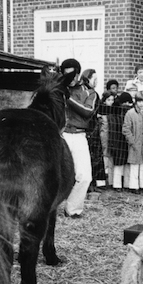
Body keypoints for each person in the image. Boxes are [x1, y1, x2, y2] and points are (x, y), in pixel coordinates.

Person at [60, 59, 97, 217]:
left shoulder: (89, 92)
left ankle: (72, 209)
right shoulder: (59, 88)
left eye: (73, 75)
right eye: (66, 75)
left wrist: (68, 98)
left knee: (84, 176)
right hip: (61, 135)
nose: (70, 79)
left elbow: (88, 112)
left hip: (79, 135)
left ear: (78, 74)